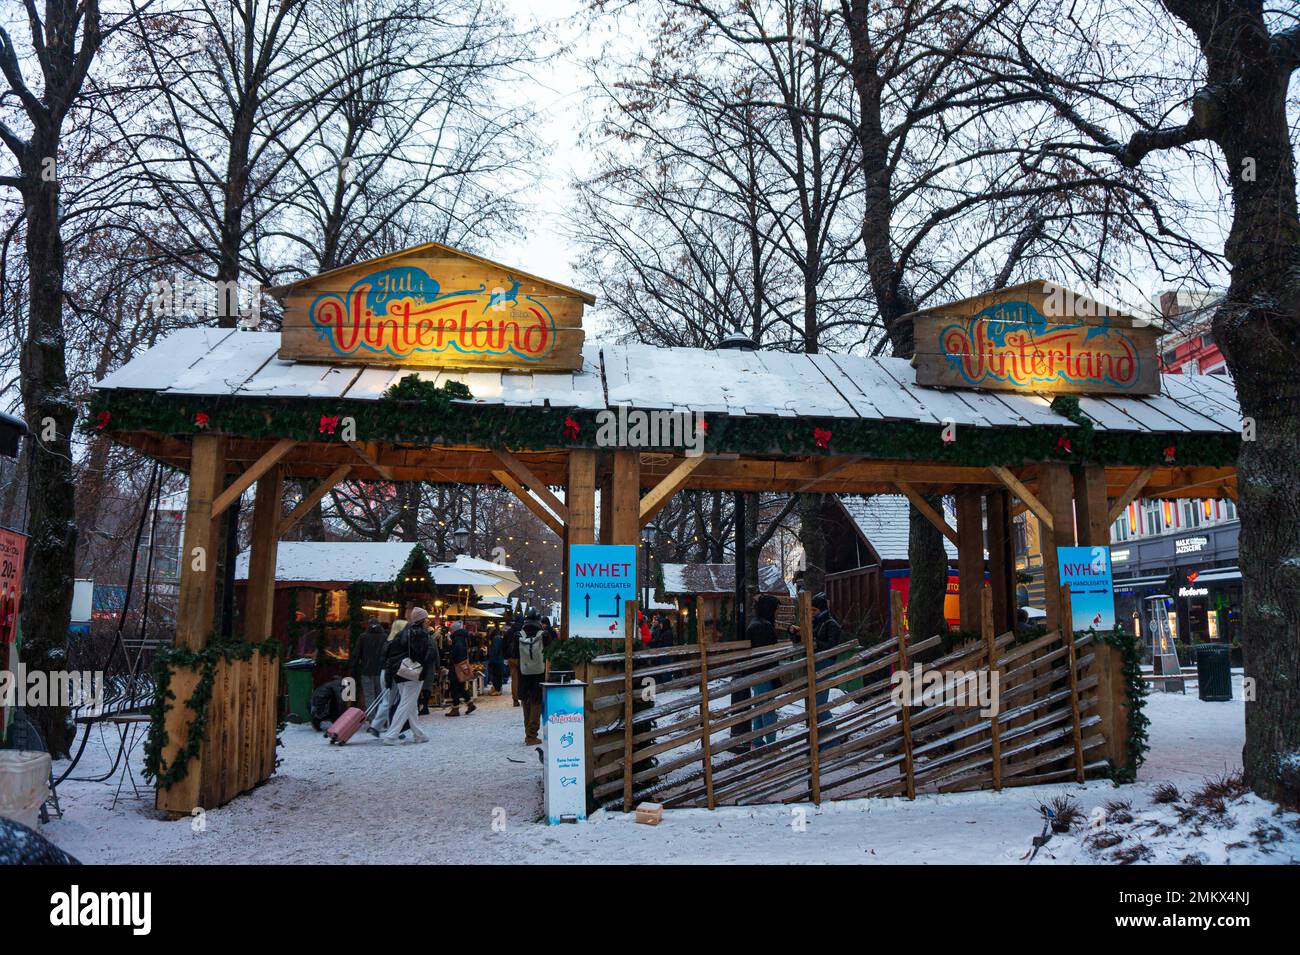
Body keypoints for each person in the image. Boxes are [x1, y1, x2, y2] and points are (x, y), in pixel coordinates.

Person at [733, 593, 781, 750]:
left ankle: (758, 741)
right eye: (775, 609)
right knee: (767, 709)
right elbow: (767, 654)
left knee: (760, 707)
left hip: (757, 674)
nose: (776, 613)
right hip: (764, 673)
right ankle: (771, 744)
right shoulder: (763, 626)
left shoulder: (756, 623)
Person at [380, 608, 432, 744]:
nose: (428, 621)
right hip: (413, 672)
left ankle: (419, 734)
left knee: (411, 704)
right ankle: (391, 735)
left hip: (400, 672)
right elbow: (421, 654)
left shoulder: (402, 633)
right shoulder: (420, 634)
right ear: (421, 620)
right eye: (426, 618)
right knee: (406, 704)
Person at [511, 608, 553, 744]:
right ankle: (532, 735)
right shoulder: (544, 635)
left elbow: (513, 654)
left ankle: (528, 734)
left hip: (523, 672)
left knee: (526, 701)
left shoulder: (518, 635)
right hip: (539, 673)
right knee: (536, 702)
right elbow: (550, 652)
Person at [352, 616, 388, 710]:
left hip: (366, 670)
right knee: (379, 695)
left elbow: (356, 654)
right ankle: (379, 716)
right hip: (380, 670)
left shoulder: (363, 637)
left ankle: (371, 715)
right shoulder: (384, 637)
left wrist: (354, 669)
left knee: (369, 695)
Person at [444, 624, 477, 717]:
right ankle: (470, 704)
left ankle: (455, 709)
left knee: (454, 687)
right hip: (459, 665)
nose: (450, 631)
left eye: (451, 630)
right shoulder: (462, 637)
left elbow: (457, 651)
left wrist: (450, 652)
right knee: (460, 686)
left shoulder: (457, 638)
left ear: (454, 630)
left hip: (456, 666)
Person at [505, 616, 523, 708]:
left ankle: (515, 700)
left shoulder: (509, 631)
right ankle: (523, 698)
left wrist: (506, 657)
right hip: (522, 657)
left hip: (511, 658)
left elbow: (504, 645)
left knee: (514, 679)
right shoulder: (523, 631)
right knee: (523, 678)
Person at [487, 624, 506, 695]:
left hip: (496, 660)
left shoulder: (496, 638)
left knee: (496, 675)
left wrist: (491, 658)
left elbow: (495, 650)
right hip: (498, 660)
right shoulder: (497, 637)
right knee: (497, 675)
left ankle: (497, 690)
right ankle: (496, 688)